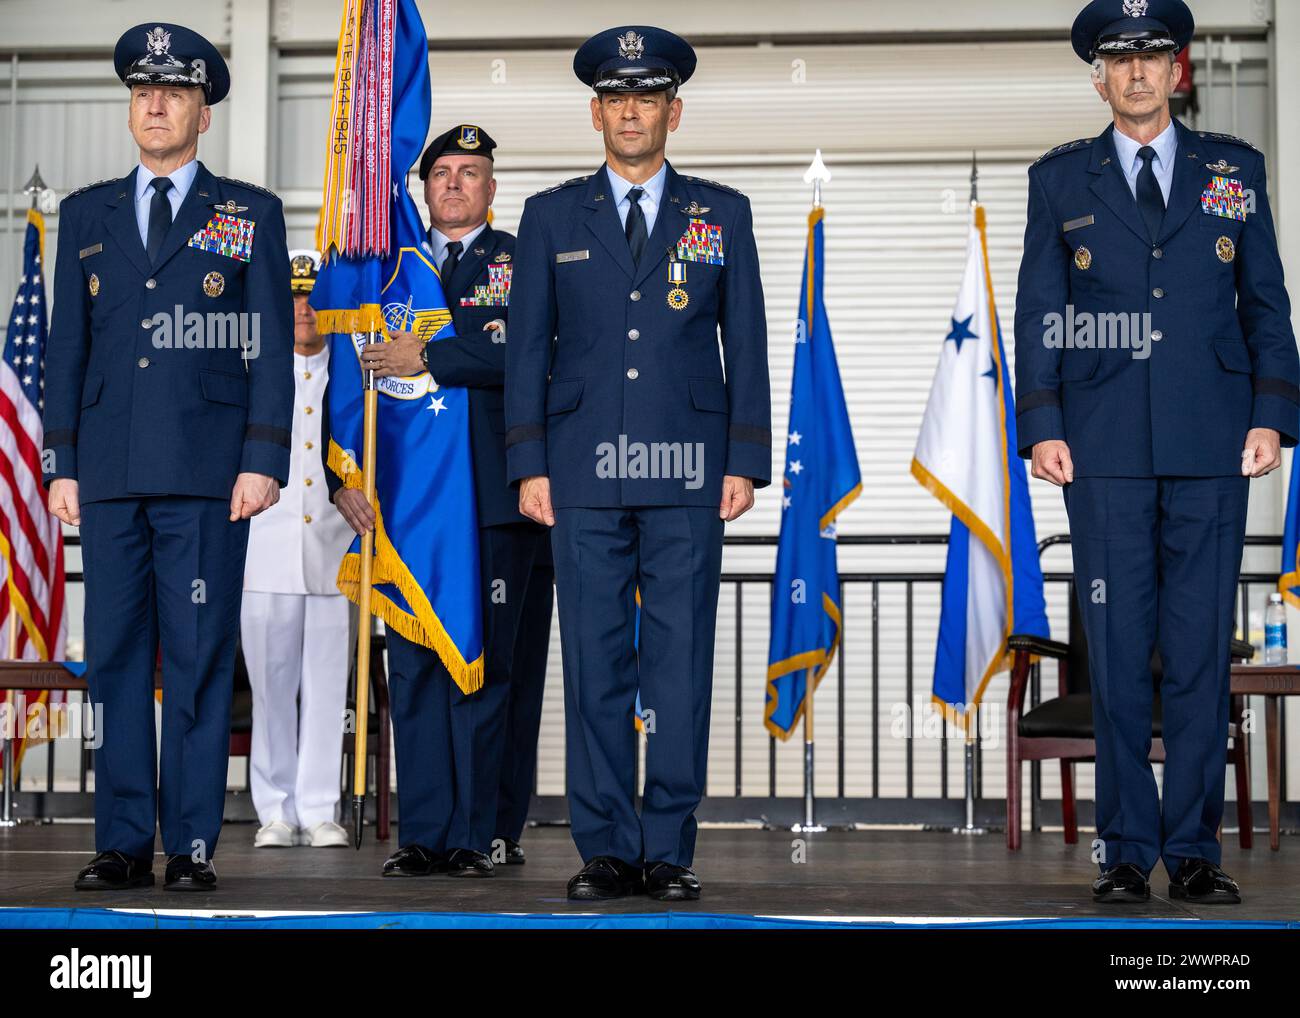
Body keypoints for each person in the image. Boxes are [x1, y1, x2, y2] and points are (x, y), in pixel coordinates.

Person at [1014, 0, 1299, 905]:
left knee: (1199, 652)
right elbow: (1040, 314)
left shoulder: (1234, 170)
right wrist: (1043, 422)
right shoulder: (1061, 181)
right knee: (1121, 650)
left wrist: (1271, 414)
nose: (1136, 73)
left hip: (1214, 441)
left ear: (1177, 69)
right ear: (1098, 77)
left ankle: (1197, 851)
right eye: (1118, 58)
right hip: (1099, 453)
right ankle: (1127, 853)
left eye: (1151, 56)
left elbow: (1266, 306)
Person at [506, 26, 771, 901]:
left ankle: (670, 845)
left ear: (673, 111)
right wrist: (528, 463)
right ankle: (609, 847)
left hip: (691, 470)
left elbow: (750, 347)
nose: (630, 111)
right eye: (616, 98)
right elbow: (527, 351)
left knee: (680, 659)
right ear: (595, 113)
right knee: (594, 661)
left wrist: (744, 460)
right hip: (580, 471)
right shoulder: (549, 216)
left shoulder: (720, 212)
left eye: (646, 97)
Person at [44, 22, 293, 891]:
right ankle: (119, 840)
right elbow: (64, 350)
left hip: (207, 475)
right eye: (144, 91)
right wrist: (60, 463)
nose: (155, 103)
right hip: (108, 475)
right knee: (114, 656)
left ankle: (188, 842)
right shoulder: (86, 215)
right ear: (130, 108)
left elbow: (270, 346)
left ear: (203, 113)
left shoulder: (249, 214)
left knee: (195, 654)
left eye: (175, 91)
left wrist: (264, 457)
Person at [334, 125, 553, 876]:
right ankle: (423, 833)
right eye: (442, 173)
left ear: (493, 187)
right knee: (417, 672)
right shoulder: (390, 269)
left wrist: (429, 354)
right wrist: (346, 475)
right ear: (423, 187)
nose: (454, 184)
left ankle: (485, 829)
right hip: (408, 505)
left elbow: (530, 350)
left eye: (471, 172)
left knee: (492, 669)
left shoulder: (523, 260)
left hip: (498, 500)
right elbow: (350, 361)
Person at [241, 249, 354, 850]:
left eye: (313, 297)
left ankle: (319, 808)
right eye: (293, 298)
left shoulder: (355, 374)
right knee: (272, 688)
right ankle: (275, 809)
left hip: (334, 553)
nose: (304, 309)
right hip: (265, 550)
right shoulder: (254, 371)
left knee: (328, 687)